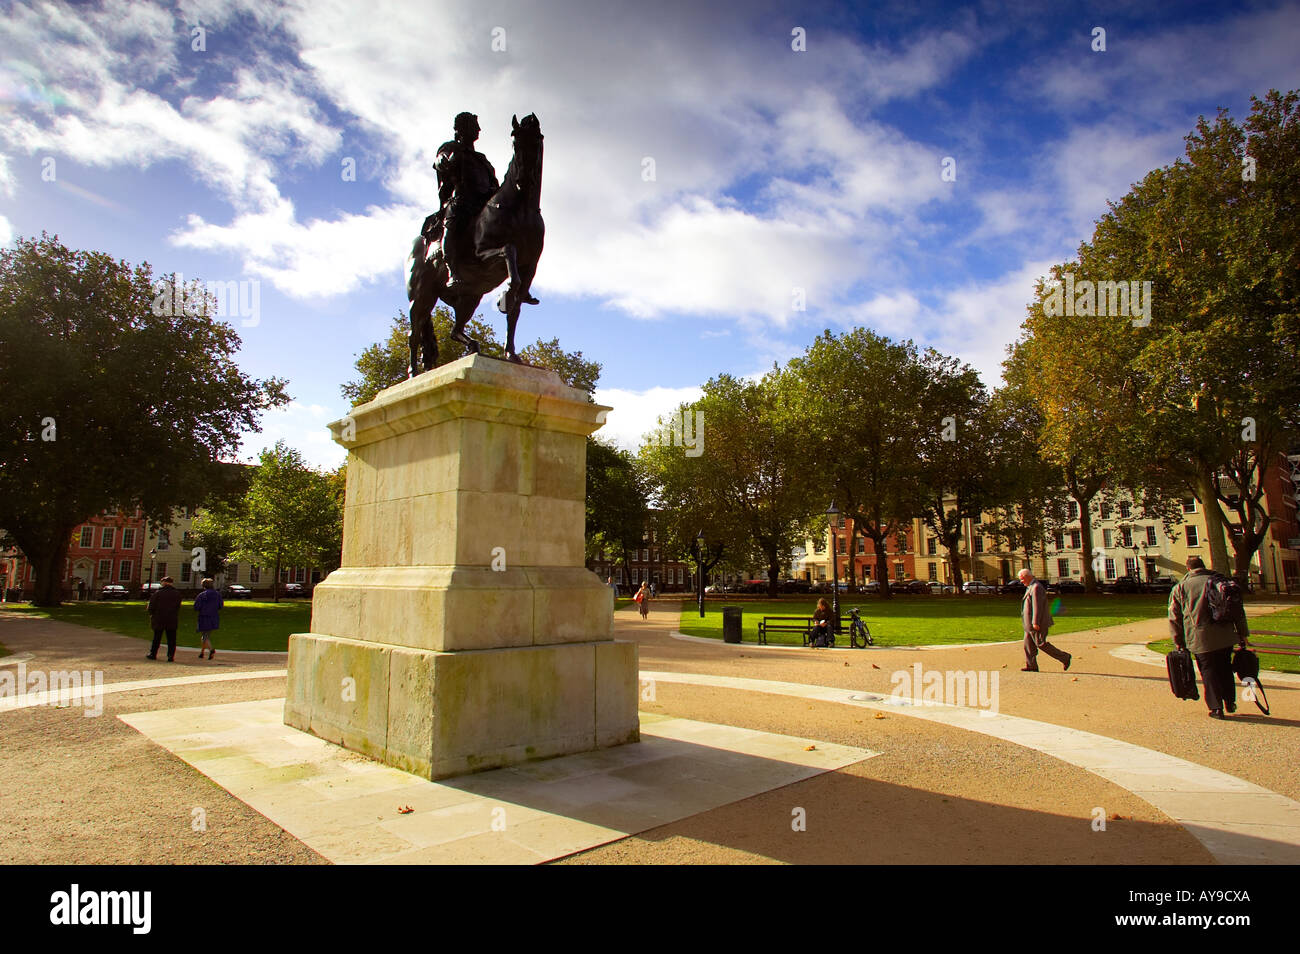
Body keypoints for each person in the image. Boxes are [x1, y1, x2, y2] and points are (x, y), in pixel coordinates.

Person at [1168, 556, 1249, 719]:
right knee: (1225, 667)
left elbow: (1174, 617)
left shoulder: (1181, 587)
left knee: (1208, 670)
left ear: (1188, 568)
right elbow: (1237, 610)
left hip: (1200, 636)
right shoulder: (1220, 581)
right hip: (1225, 634)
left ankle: (1216, 706)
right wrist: (1242, 633)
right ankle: (1230, 701)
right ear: (1204, 566)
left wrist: (1178, 641)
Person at [434, 112, 501, 292]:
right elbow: (440, 161)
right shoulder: (450, 148)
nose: (478, 129)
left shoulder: (482, 159)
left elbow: (494, 184)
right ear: (461, 129)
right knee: (453, 222)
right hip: (461, 200)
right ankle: (452, 270)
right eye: (473, 126)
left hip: (482, 204)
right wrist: (445, 160)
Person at [1019, 568, 1071, 672]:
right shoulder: (1031, 586)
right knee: (1028, 645)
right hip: (1029, 624)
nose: (1021, 581)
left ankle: (1065, 657)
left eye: (1022, 579)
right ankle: (1031, 665)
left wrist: (1035, 622)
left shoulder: (1036, 587)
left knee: (1041, 643)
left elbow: (1037, 606)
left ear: (1028, 577)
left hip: (1037, 622)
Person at [146, 576, 183, 662]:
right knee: (171, 639)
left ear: (164, 582)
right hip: (172, 618)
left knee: (157, 638)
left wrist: (152, 614)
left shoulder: (157, 593)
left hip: (159, 618)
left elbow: (151, 607)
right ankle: (170, 656)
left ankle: (153, 654)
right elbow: (178, 607)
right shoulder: (177, 594)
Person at [194, 578, 223, 660]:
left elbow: (196, 607)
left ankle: (211, 649)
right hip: (214, 617)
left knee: (204, 636)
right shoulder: (218, 595)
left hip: (204, 617)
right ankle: (202, 652)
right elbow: (220, 606)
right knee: (206, 635)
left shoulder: (202, 595)